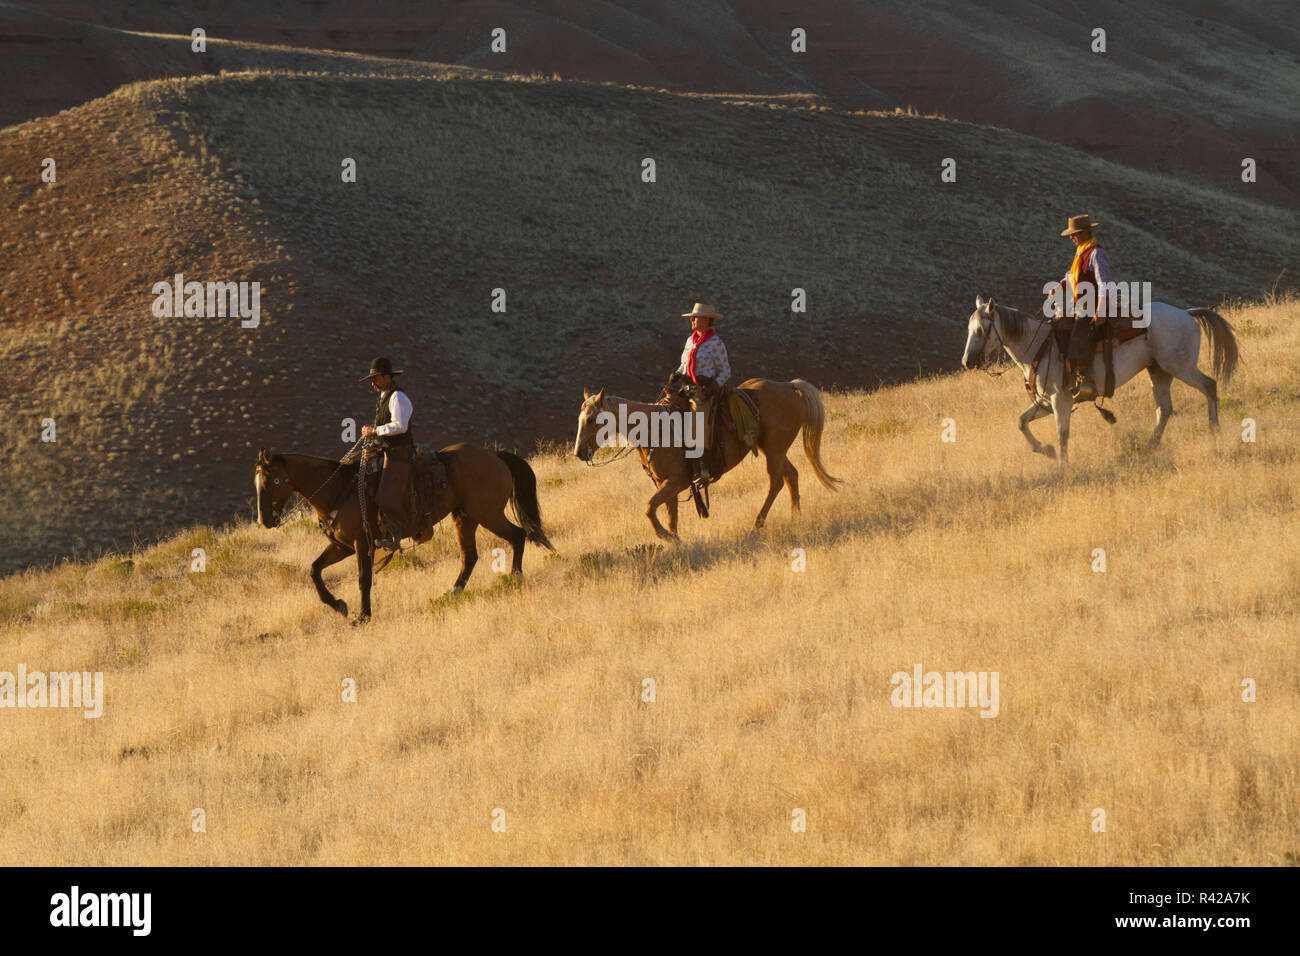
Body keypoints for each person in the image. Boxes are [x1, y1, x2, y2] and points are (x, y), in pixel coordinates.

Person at [359, 357, 415, 550]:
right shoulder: (385, 397)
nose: (373, 383)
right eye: (372, 380)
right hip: (388, 450)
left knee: (387, 491)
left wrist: (375, 431)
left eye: (376, 379)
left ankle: (393, 533)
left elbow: (400, 426)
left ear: (387, 377)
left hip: (399, 452)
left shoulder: (398, 397)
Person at [1057, 214, 1114, 401]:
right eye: (1071, 235)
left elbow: (1105, 284)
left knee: (1078, 338)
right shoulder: (1081, 252)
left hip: (1093, 307)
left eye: (1075, 234)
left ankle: (1087, 382)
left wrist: (1101, 311)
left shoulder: (1096, 253)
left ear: (1085, 232)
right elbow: (1071, 275)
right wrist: (1060, 286)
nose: (1071, 238)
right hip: (1081, 306)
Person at [674, 303, 731, 479]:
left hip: (704, 392)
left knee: (698, 423)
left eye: (695, 317)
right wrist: (676, 374)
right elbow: (685, 365)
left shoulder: (716, 343)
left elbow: (726, 371)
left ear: (707, 320)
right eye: (692, 317)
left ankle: (703, 467)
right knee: (667, 408)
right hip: (687, 387)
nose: (692, 320)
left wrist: (715, 385)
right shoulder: (690, 341)